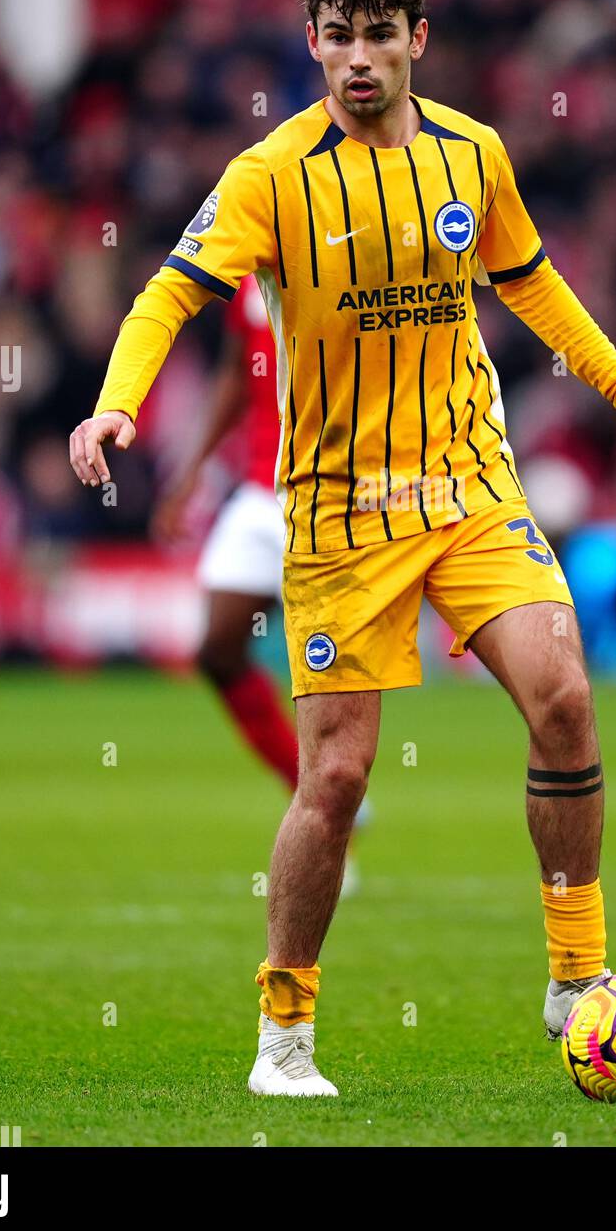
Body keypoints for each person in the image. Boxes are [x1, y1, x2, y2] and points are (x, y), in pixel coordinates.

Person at [69, 0, 616, 1097]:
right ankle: (285, 1034)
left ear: (418, 38)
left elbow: (534, 283)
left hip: (468, 485)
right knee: (342, 777)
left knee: (564, 695)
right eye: (338, 37)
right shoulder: (271, 172)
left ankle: (577, 981)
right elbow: (172, 293)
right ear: (312, 43)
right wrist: (116, 408)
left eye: (380, 34)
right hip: (336, 508)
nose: (359, 59)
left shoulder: (474, 155)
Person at [152, 276, 366, 894]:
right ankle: (304, 780)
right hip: (258, 491)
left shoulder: (344, 253)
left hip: (333, 492)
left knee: (329, 672)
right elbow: (232, 377)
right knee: (218, 650)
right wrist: (191, 473)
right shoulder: (246, 272)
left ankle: (333, 826)